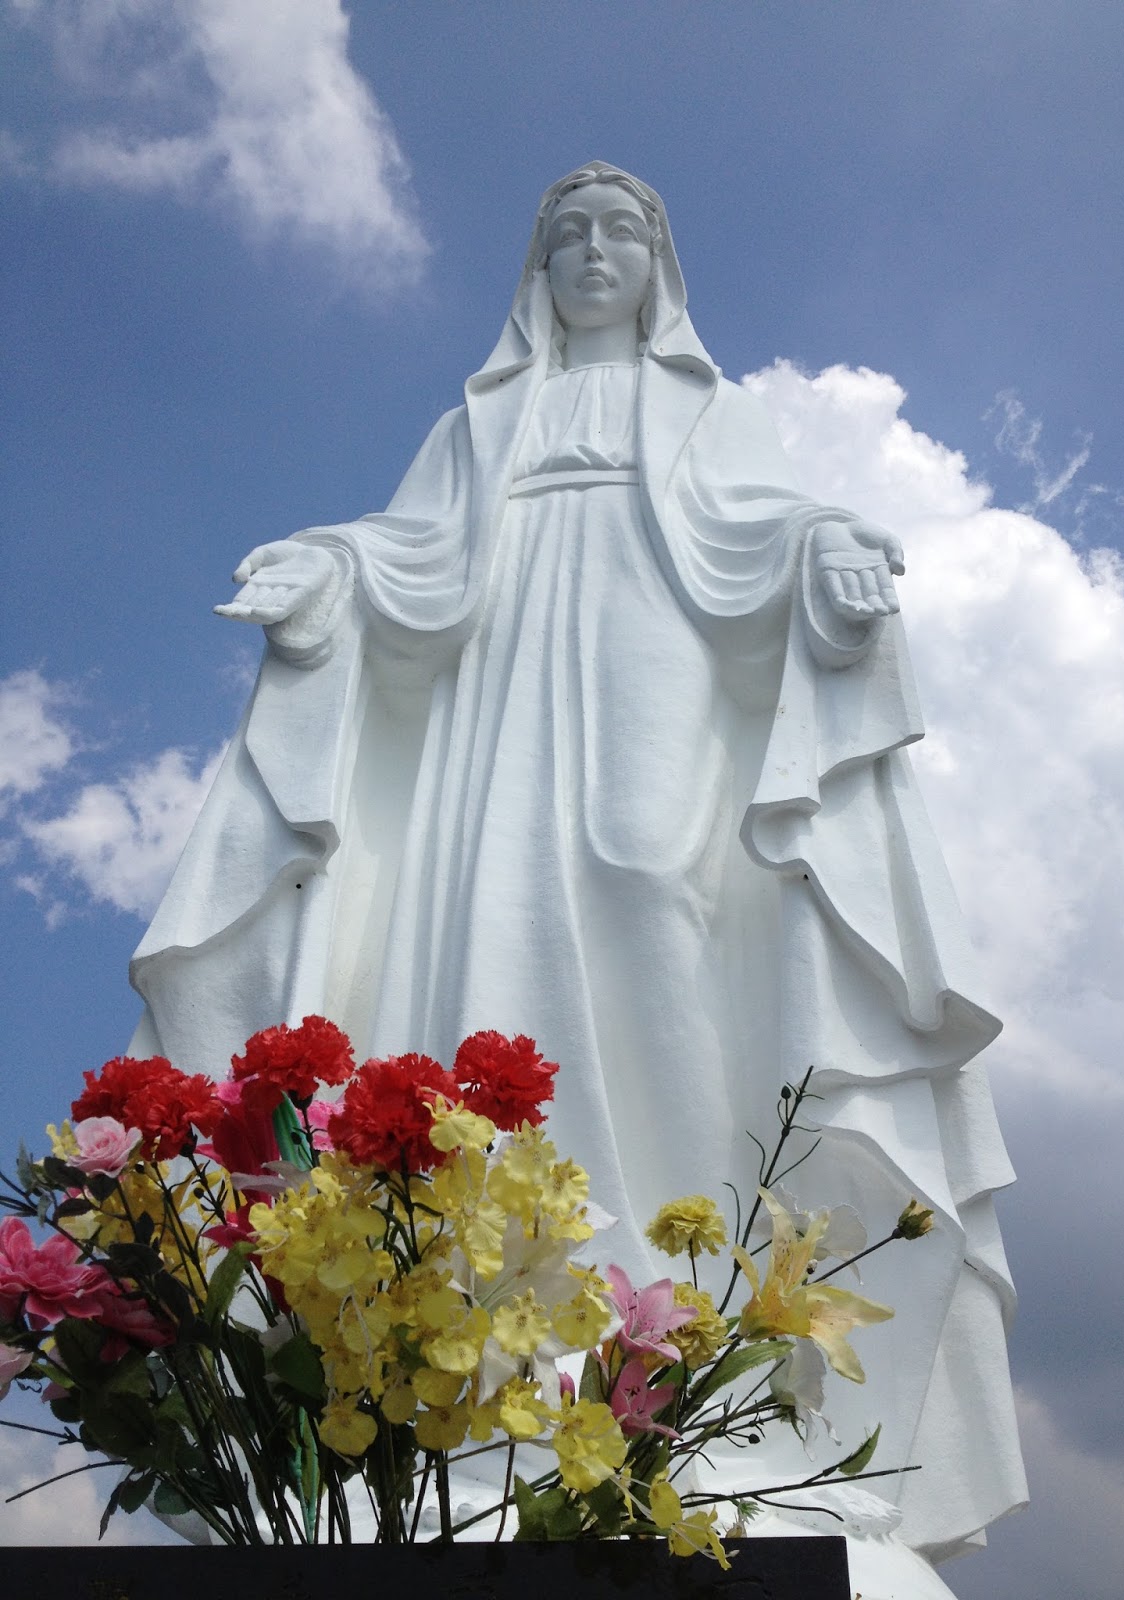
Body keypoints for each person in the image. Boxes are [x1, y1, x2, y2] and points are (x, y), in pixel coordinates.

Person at [130, 164, 1025, 1588]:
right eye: (567, 237)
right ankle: (466, 1350)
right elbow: (411, 559)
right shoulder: (479, 422)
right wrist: (329, 568)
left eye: (620, 234)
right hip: (497, 687)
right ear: (535, 272)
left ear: (660, 267)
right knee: (488, 915)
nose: (593, 253)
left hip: (649, 645)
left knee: (644, 886)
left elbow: (771, 525)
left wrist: (837, 547)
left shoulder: (708, 413)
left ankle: (675, 1334)